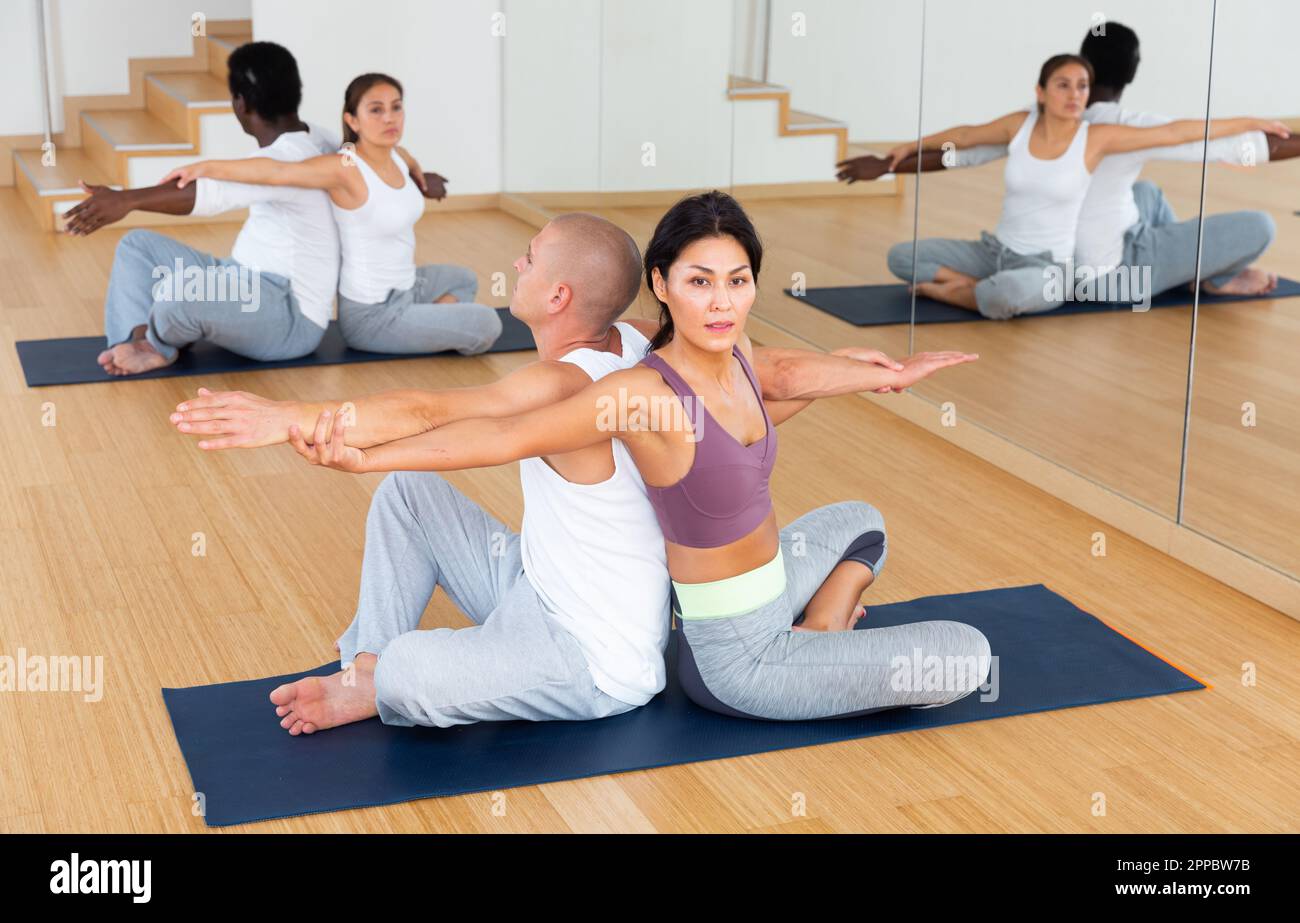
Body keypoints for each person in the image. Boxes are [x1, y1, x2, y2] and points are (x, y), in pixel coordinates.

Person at [278, 191, 991, 723]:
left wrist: (876, 371)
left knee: (865, 520)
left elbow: (781, 372)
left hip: (719, 608)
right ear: (662, 285)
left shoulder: (668, 345)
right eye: (699, 281)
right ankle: (372, 672)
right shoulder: (634, 387)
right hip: (716, 655)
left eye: (737, 280)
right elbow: (488, 430)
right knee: (969, 655)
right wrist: (353, 451)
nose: (720, 301)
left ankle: (826, 623)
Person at [839, 24, 1300, 309]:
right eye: (1063, 84)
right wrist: (1255, 125)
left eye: (1078, 84)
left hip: (1062, 260)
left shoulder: (1042, 121)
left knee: (1147, 194)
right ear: (1133, 71)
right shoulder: (1114, 128)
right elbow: (1209, 140)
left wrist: (886, 164)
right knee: (1259, 225)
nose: (1072, 93)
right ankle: (1210, 280)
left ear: (1088, 74)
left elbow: (960, 152)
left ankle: (1194, 274)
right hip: (1109, 275)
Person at [165, 72, 501, 356]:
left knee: (464, 278)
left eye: (396, 108)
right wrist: (206, 166)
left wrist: (424, 180)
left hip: (406, 287)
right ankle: (418, 329)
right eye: (376, 110)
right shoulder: (345, 169)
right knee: (488, 323)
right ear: (352, 120)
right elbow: (276, 172)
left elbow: (412, 166)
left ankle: (422, 327)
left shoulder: (397, 154)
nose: (389, 118)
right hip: (373, 314)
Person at [65, 42, 345, 376]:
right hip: (241, 275)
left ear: (239, 103)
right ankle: (143, 339)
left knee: (178, 296)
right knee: (137, 247)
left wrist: (126, 200)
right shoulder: (318, 136)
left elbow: (209, 195)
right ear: (295, 91)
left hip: (288, 316)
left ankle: (156, 346)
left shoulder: (287, 158)